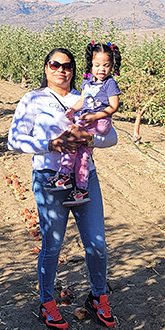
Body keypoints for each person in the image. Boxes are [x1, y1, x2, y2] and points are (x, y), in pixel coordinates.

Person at [7, 47, 118, 330]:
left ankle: (98, 296)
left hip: (84, 177)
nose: (61, 70)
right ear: (46, 68)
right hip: (49, 177)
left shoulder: (88, 96)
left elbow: (111, 136)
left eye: (67, 66)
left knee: (97, 244)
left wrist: (90, 140)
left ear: (74, 69)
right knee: (52, 244)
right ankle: (46, 301)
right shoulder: (33, 99)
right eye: (55, 65)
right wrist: (51, 145)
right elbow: (14, 140)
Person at [45, 42, 121, 207]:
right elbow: (82, 100)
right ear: (90, 65)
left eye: (106, 66)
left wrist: (95, 116)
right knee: (83, 155)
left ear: (112, 66)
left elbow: (114, 106)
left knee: (71, 140)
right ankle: (80, 190)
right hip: (88, 118)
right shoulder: (87, 82)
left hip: (99, 121)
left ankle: (64, 176)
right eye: (97, 65)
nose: (102, 69)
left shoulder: (109, 83)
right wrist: (73, 109)